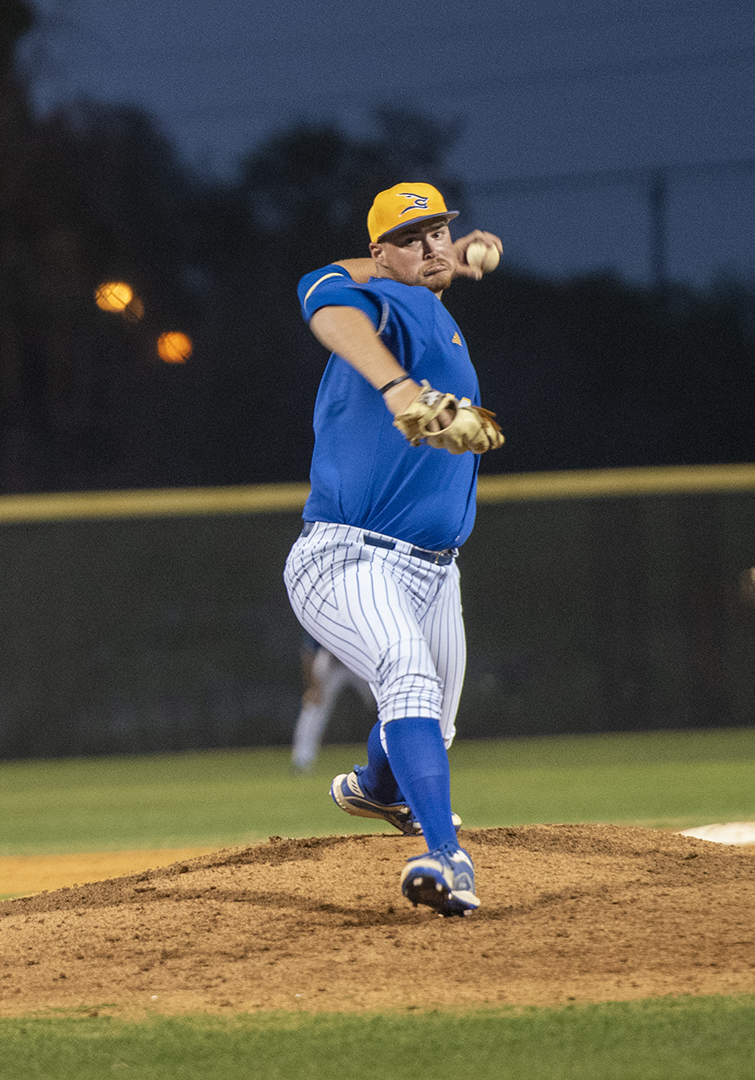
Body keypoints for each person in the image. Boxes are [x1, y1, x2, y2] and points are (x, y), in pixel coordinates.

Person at [283, 182, 504, 916]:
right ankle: (446, 858)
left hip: (436, 573)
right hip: (347, 556)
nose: (432, 243)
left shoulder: (437, 317)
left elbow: (437, 261)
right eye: (411, 237)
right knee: (405, 672)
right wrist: (396, 386)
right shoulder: (378, 309)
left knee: (431, 725)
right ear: (379, 254)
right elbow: (320, 292)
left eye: (441, 229)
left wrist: (459, 257)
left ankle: (376, 788)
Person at [289, 633, 376, 774]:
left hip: (361, 659)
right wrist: (312, 687)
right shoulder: (327, 613)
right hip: (332, 661)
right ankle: (302, 760)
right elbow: (309, 653)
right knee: (314, 706)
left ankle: (395, 756)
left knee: (387, 702)